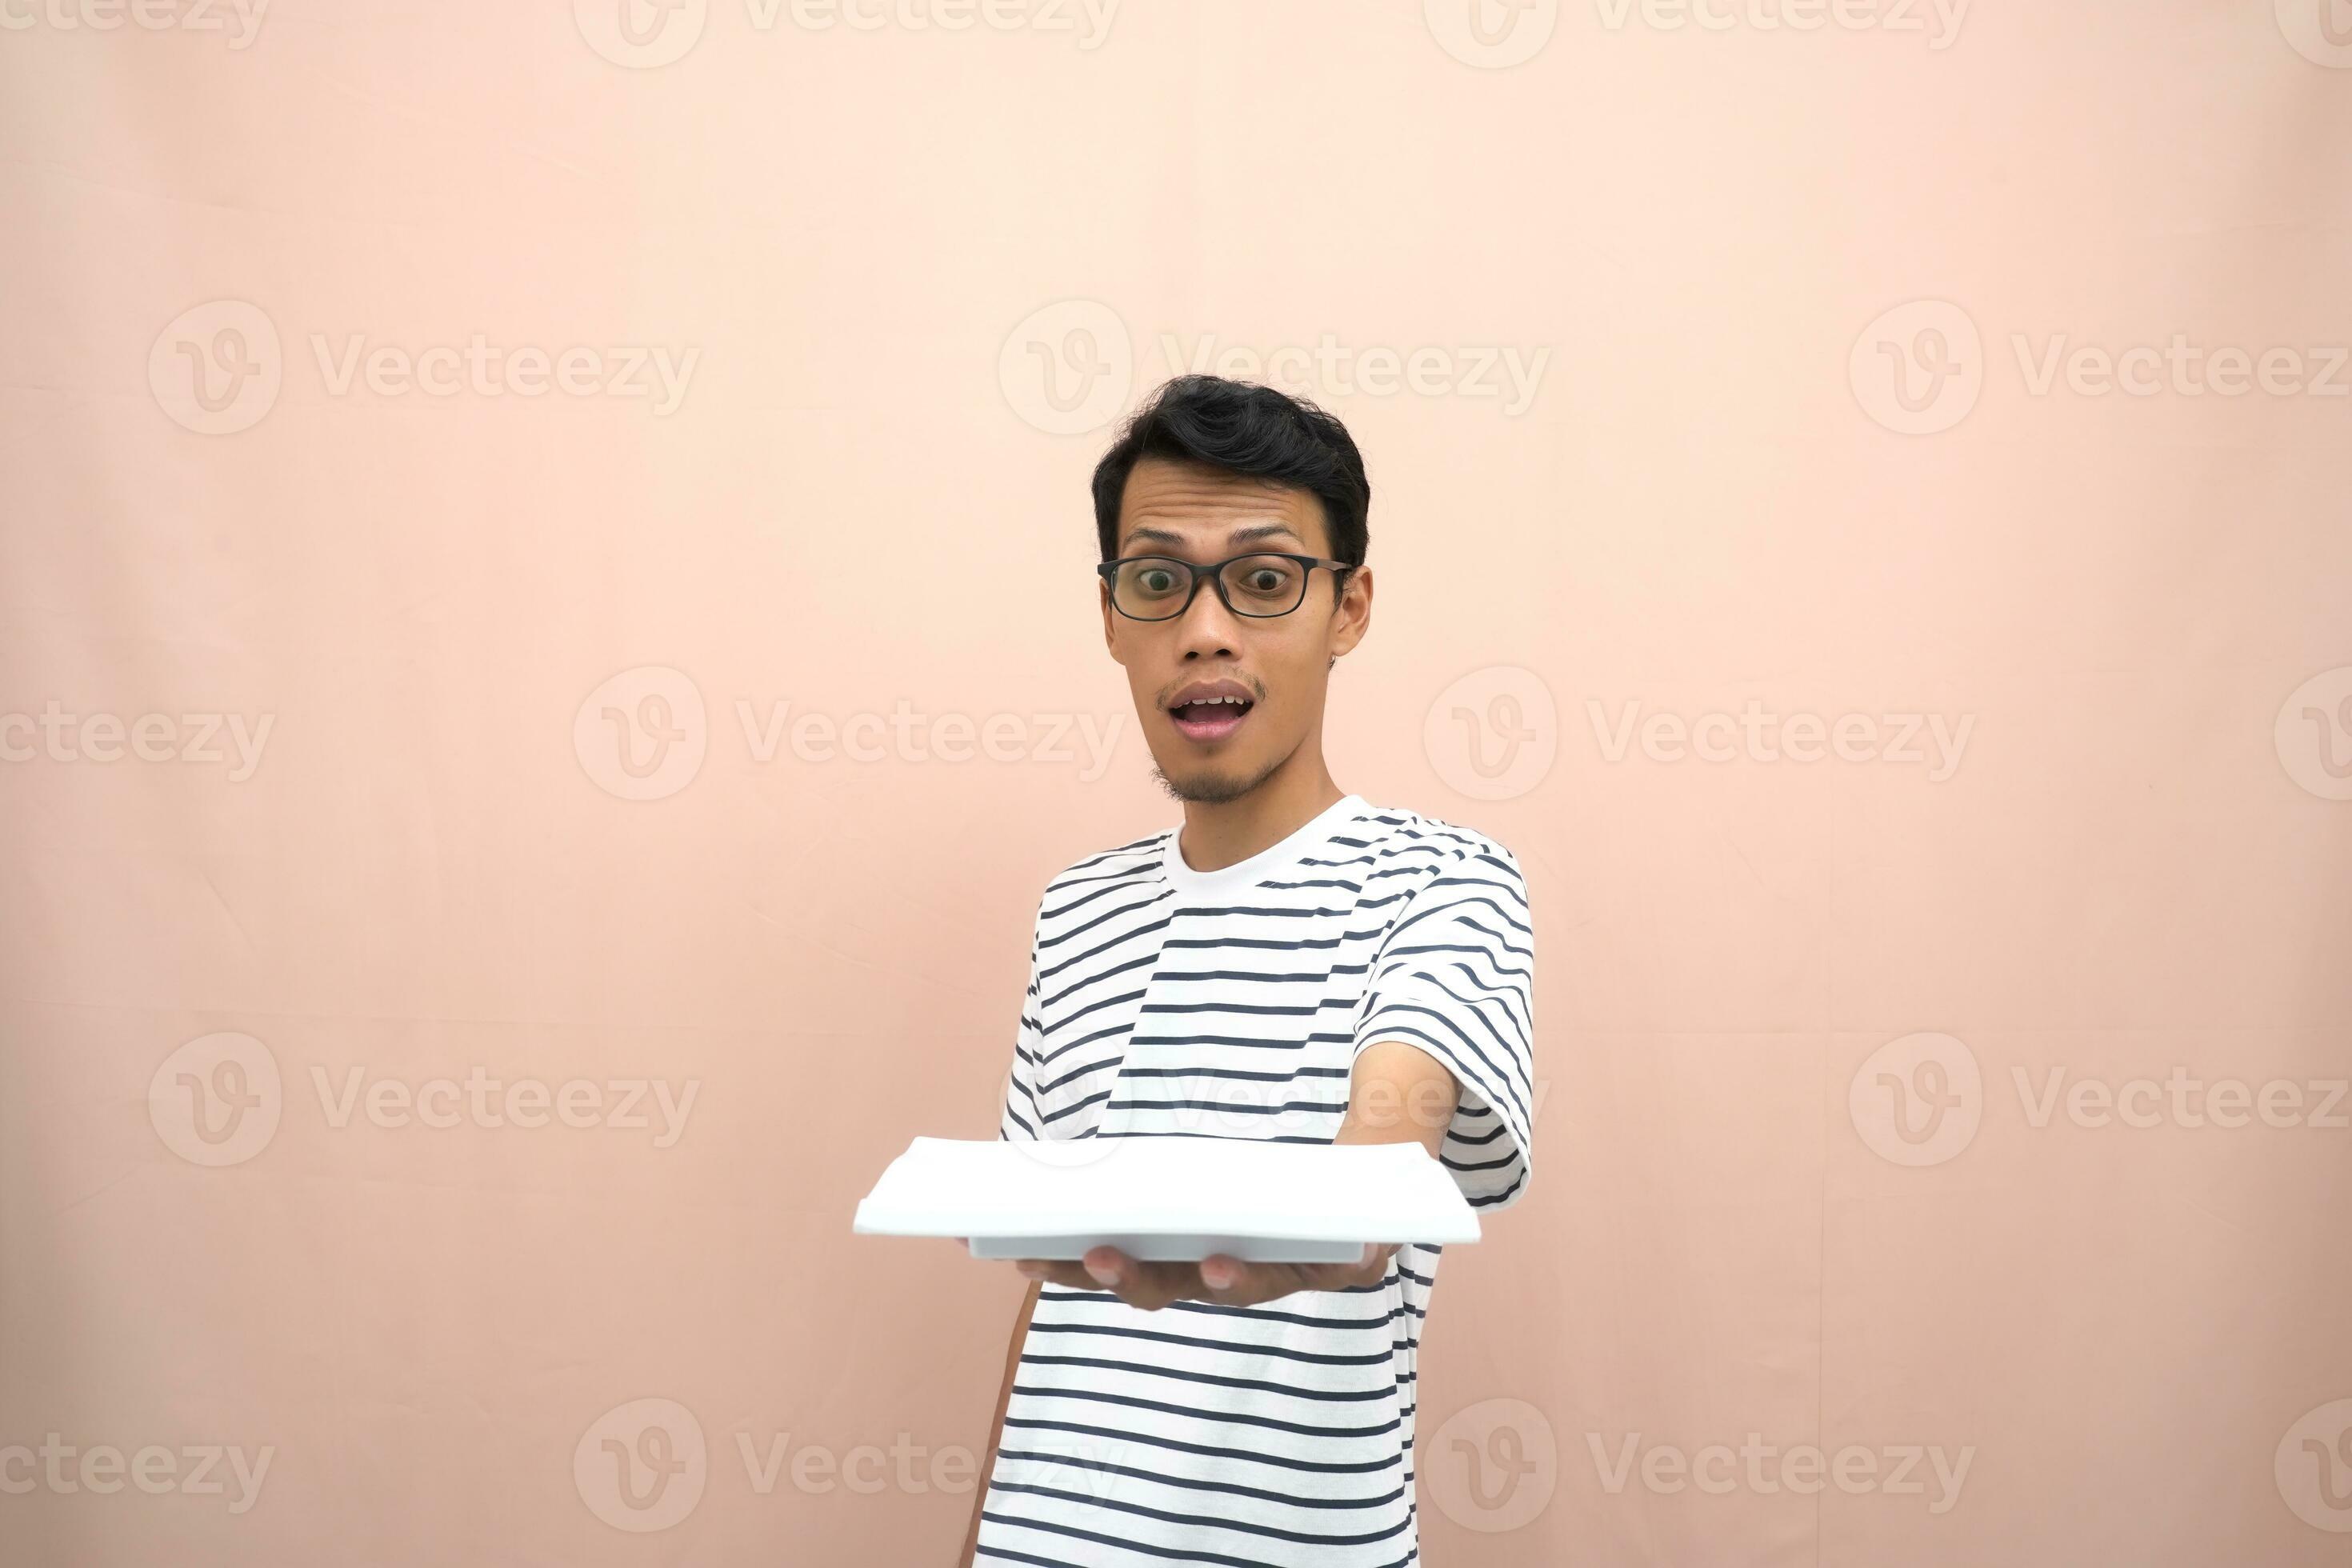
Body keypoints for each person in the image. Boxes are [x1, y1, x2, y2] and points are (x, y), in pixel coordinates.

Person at [961, 374, 1537, 1566]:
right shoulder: (1076, 909)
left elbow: (1385, 1161)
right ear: (1114, 617)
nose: (1206, 627)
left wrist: (1332, 1225)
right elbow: (1059, 1281)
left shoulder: (1444, 885)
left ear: (1351, 607)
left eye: (1265, 581)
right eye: (1159, 578)